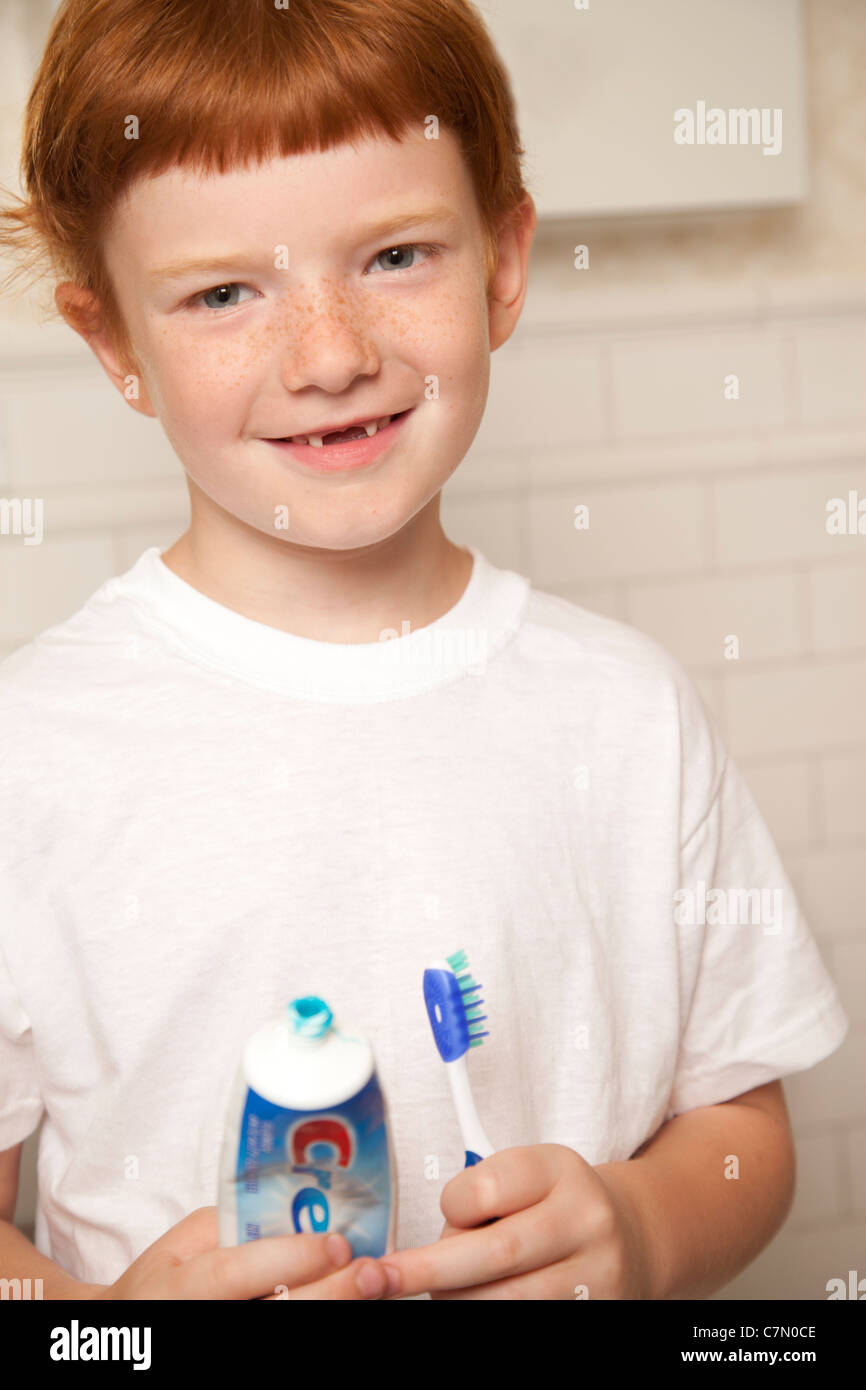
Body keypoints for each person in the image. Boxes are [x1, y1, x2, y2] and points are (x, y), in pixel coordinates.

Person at [0, 0, 847, 1301]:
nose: (331, 354)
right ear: (113, 339)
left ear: (503, 262)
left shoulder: (625, 712)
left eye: (394, 256)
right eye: (224, 291)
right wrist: (97, 1332)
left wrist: (639, 1224)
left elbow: (744, 1137)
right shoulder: (32, 749)